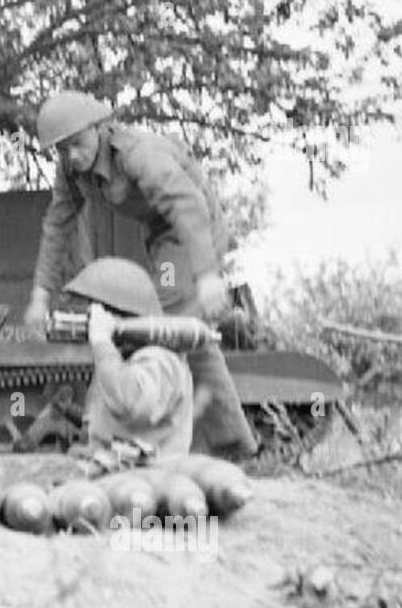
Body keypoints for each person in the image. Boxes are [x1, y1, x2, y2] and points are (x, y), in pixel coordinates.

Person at [26, 90, 257, 459]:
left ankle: (224, 444)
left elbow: (188, 206)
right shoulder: (72, 169)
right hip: (161, 238)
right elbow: (57, 226)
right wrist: (40, 295)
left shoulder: (139, 154)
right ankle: (217, 439)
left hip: (191, 230)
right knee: (167, 322)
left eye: (77, 144)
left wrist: (207, 275)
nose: (71, 155)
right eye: (61, 149)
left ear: (99, 129)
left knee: (169, 322)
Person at [63, 257, 193, 459]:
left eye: (93, 313)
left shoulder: (160, 360)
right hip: (119, 474)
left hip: (149, 482)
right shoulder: (119, 360)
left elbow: (129, 401)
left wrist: (102, 342)